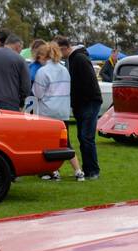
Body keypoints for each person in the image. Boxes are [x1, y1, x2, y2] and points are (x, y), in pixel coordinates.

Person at [32, 42, 81, 181]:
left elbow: (37, 93)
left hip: (47, 111)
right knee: (65, 143)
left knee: (48, 144)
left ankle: (53, 171)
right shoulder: (64, 69)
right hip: (63, 111)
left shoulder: (42, 71)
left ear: (43, 56)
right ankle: (78, 171)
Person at [60, 37, 102, 181]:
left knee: (86, 137)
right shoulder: (73, 60)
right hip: (82, 103)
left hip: (89, 102)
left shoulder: (79, 59)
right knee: (82, 137)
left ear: (65, 48)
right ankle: (88, 169)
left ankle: (93, 170)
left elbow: (87, 83)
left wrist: (76, 99)